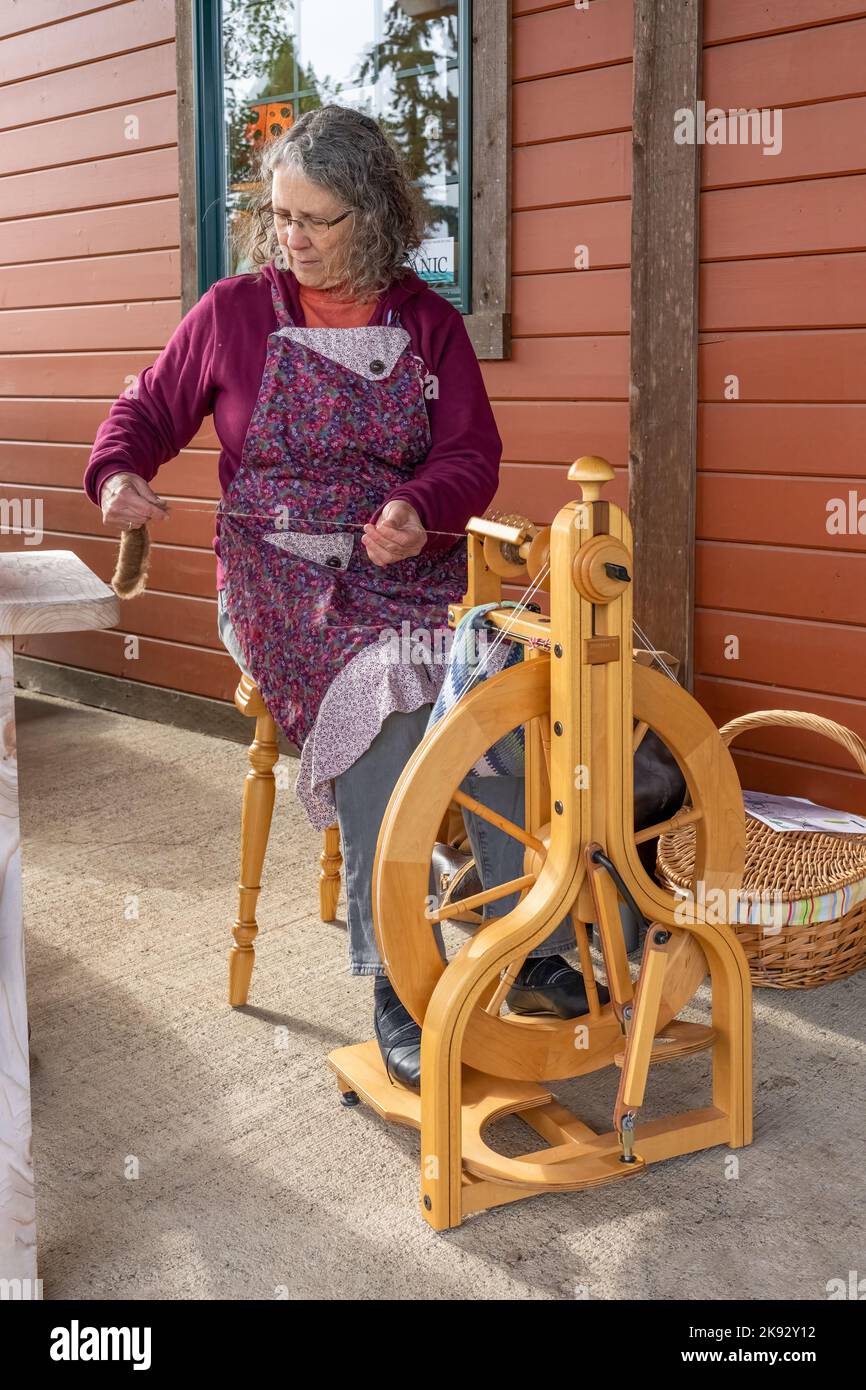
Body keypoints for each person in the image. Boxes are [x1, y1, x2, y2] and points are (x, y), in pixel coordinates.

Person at [83, 105, 603, 1094]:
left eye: (315, 220)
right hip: (281, 582)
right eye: (281, 217)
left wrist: (417, 504)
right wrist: (116, 473)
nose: (293, 239)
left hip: (406, 568)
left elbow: (469, 456)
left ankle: (526, 939)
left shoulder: (428, 325)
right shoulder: (234, 312)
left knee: (497, 691)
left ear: (370, 218)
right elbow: (146, 408)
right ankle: (400, 983)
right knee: (391, 710)